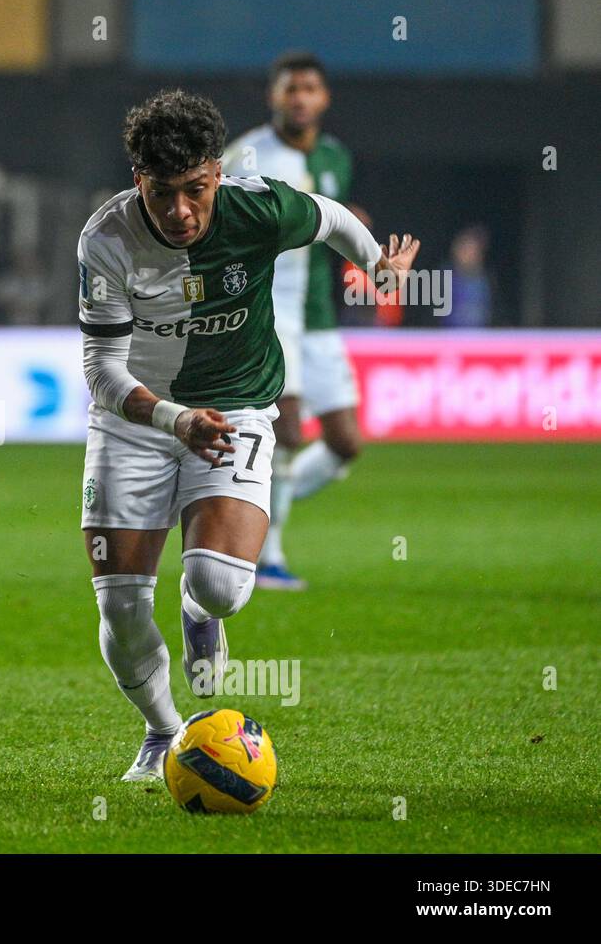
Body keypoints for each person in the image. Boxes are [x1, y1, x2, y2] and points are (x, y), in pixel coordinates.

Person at [78, 89, 417, 781]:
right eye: (161, 192)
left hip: (236, 406)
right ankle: (163, 730)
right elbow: (101, 369)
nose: (179, 211)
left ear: (216, 174)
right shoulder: (107, 238)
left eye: (195, 190)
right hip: (137, 424)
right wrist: (174, 418)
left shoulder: (257, 205)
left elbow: (329, 217)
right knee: (119, 600)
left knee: (221, 584)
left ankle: (199, 609)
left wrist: (375, 264)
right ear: (137, 179)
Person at [222, 51, 389, 589]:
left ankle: (257, 502)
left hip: (317, 315)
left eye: (309, 89)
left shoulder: (337, 156)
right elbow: (215, 222)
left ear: (324, 98)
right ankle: (265, 556)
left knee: (345, 443)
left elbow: (333, 224)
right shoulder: (246, 155)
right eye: (290, 89)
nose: (300, 98)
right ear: (274, 96)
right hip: (267, 312)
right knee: (287, 432)